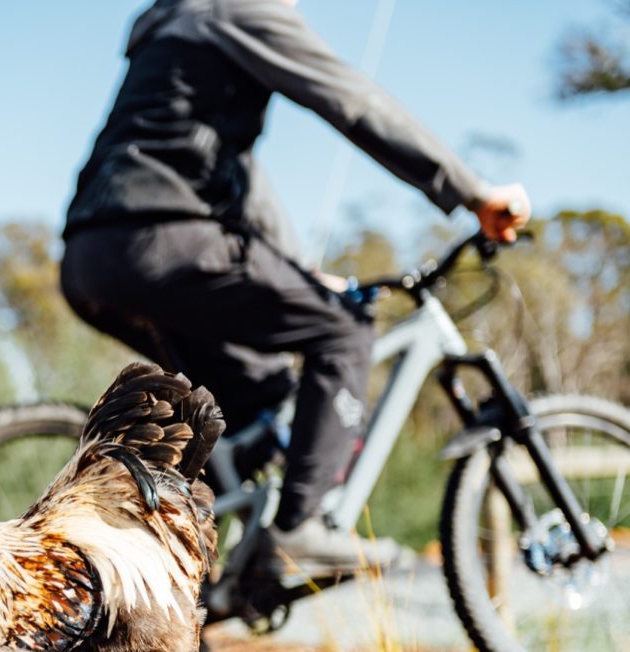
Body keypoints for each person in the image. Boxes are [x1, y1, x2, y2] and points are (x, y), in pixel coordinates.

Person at [59, 0, 530, 577]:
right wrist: (472, 192)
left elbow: (238, 178)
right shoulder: (239, 9)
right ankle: (300, 531)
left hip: (89, 257)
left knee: (251, 401)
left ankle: (174, 584)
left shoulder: (174, 36)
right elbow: (351, 100)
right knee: (346, 328)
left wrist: (304, 272)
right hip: (166, 236)